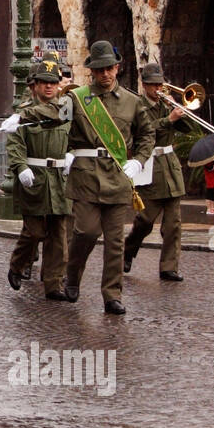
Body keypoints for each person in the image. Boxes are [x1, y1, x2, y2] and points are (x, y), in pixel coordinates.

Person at [62, 40, 155, 315]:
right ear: (92, 71)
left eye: (109, 69)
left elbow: (147, 134)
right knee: (86, 232)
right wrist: (65, 153)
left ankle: (112, 295)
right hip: (86, 177)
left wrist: (138, 162)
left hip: (117, 177)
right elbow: (59, 126)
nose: (105, 74)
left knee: (115, 242)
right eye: (99, 70)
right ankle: (73, 275)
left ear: (117, 68)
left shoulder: (132, 102)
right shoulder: (77, 99)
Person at [6, 60, 72, 299]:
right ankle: (17, 264)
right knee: (34, 232)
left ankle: (54, 284)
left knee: (58, 235)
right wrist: (20, 167)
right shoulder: (22, 113)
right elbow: (14, 144)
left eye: (53, 82)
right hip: (34, 179)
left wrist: (72, 154)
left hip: (58, 179)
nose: (49, 87)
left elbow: (74, 136)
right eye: (44, 82)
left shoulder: (65, 108)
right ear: (34, 85)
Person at [123, 62, 188, 282]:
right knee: (145, 221)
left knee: (173, 225)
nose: (158, 89)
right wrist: (169, 120)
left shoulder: (166, 103)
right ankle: (128, 250)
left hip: (169, 167)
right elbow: (143, 131)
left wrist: (182, 112)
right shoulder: (137, 105)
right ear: (144, 85)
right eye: (153, 85)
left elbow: (188, 129)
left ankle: (168, 267)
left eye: (160, 84)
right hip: (149, 167)